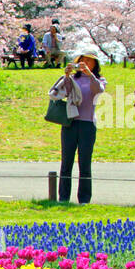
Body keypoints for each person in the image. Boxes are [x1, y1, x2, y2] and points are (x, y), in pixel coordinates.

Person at [48, 52, 106, 204]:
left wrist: (89, 74)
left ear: (95, 64)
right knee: (66, 162)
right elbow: (63, 93)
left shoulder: (99, 79)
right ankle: (63, 197)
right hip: (70, 123)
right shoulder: (74, 78)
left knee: (85, 162)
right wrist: (67, 76)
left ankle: (84, 199)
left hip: (88, 124)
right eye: (82, 60)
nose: (85, 63)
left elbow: (98, 90)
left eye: (89, 61)